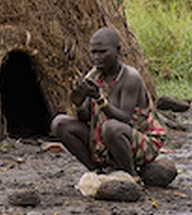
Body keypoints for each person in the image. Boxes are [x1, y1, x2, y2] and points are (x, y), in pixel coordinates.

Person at [50, 26, 175, 186]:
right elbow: (86, 117)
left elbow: (124, 118)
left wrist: (98, 97)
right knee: (59, 123)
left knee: (111, 128)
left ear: (118, 50)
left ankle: (131, 176)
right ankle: (96, 171)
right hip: (106, 140)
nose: (97, 57)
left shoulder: (130, 77)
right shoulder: (95, 75)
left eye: (102, 52)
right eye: (93, 52)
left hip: (139, 142)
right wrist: (79, 100)